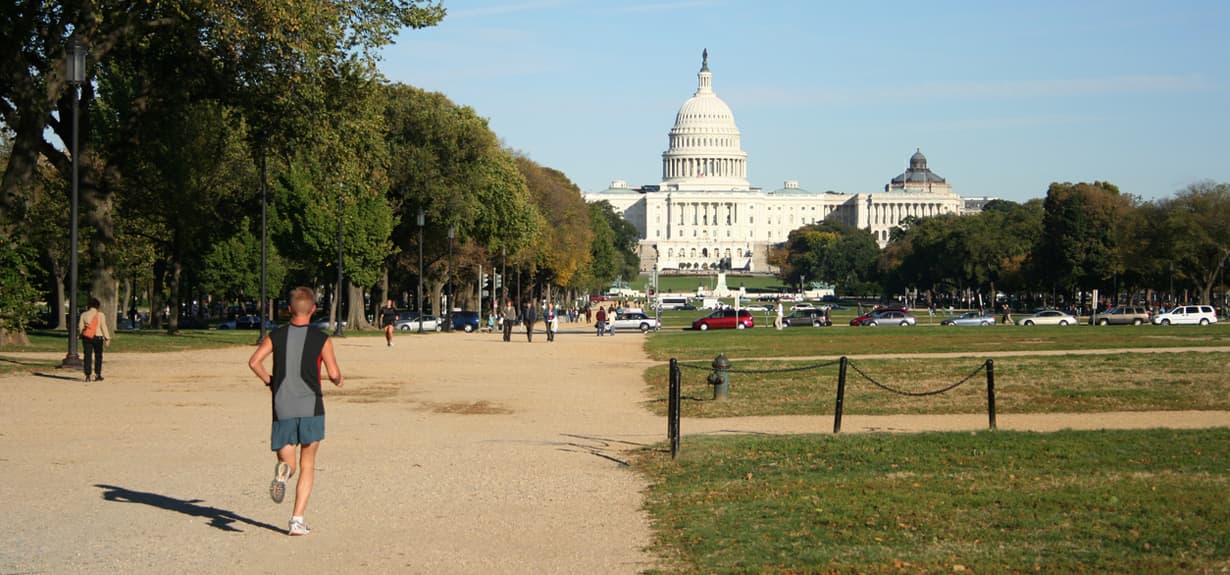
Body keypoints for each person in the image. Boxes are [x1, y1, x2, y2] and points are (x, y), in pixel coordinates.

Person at [248, 287, 344, 536]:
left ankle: (284, 474)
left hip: (283, 406)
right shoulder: (321, 339)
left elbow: (253, 361)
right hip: (311, 406)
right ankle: (297, 520)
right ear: (313, 309)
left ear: (289, 309)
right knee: (308, 465)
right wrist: (338, 380)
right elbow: (334, 374)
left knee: (288, 462)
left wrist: (269, 381)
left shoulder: (276, 336)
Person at [78, 297, 111, 381]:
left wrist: (81, 334)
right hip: (98, 337)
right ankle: (97, 374)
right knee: (98, 355)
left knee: (87, 356)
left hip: (87, 337)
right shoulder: (100, 315)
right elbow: (103, 326)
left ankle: (88, 375)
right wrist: (107, 338)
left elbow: (80, 327)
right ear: (97, 306)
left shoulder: (84, 315)